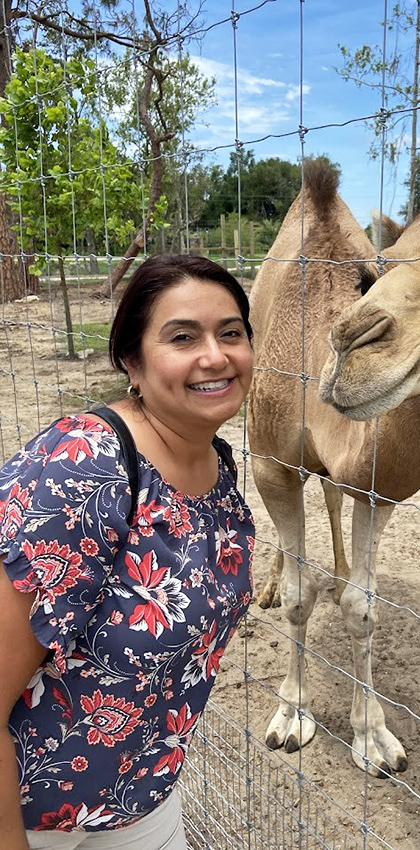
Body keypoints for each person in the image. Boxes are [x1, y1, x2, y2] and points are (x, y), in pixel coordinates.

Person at [0, 255, 255, 849]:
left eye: (232, 332)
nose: (215, 356)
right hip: (31, 816)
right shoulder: (83, 467)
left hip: (140, 801)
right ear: (131, 362)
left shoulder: (216, 464)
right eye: (183, 337)